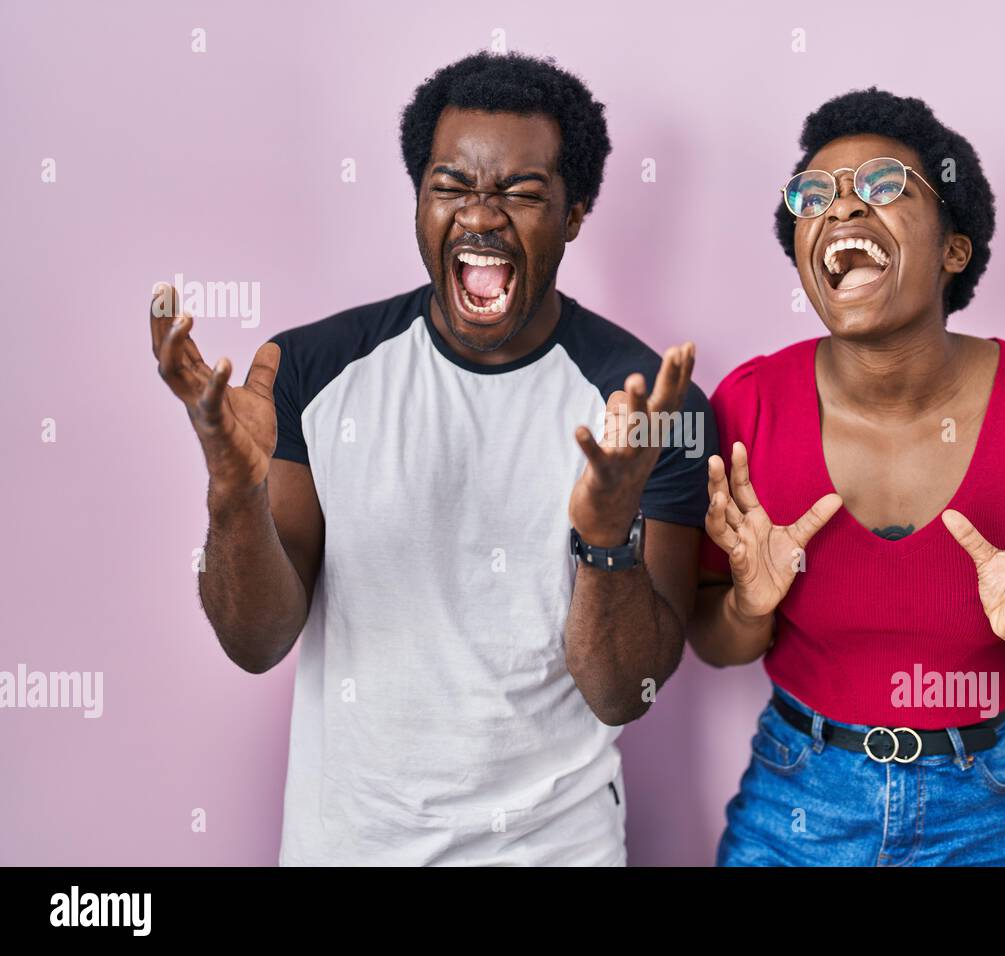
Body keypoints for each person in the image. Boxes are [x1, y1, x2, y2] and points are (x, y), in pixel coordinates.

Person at [149, 51, 715, 866]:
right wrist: (234, 492)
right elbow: (256, 640)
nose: (481, 218)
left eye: (521, 193)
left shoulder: (648, 408)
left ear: (576, 211)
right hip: (348, 845)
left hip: (556, 849)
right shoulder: (308, 373)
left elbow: (624, 691)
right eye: (451, 186)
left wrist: (605, 537)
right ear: (419, 199)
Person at [688, 88, 1005, 866]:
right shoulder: (749, 406)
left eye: (882, 186)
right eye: (814, 197)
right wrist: (746, 605)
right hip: (798, 794)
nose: (840, 209)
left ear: (953, 249)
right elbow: (715, 641)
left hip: (988, 809)